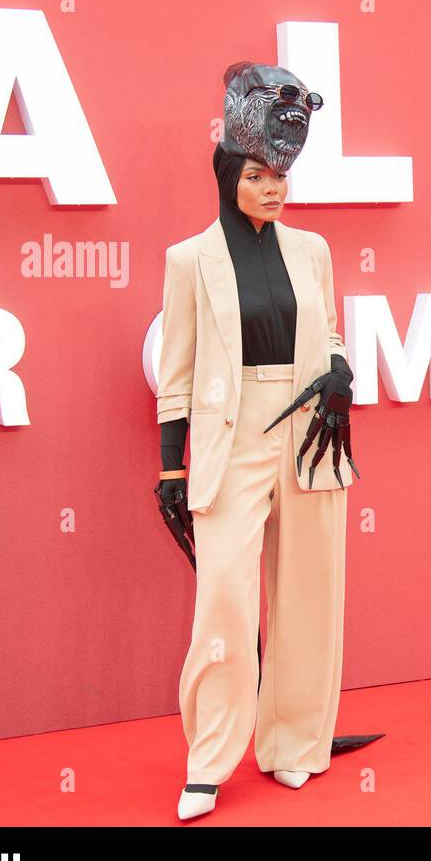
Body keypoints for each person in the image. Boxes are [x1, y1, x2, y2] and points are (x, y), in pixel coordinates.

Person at [153, 62, 357, 821]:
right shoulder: (188, 261)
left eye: (281, 176)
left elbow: (328, 333)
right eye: (258, 174)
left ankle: (295, 742)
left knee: (308, 594)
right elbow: (175, 377)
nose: (274, 188)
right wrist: (173, 470)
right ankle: (208, 758)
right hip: (230, 435)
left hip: (308, 429)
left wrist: (339, 371)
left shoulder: (312, 251)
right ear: (226, 176)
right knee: (225, 603)